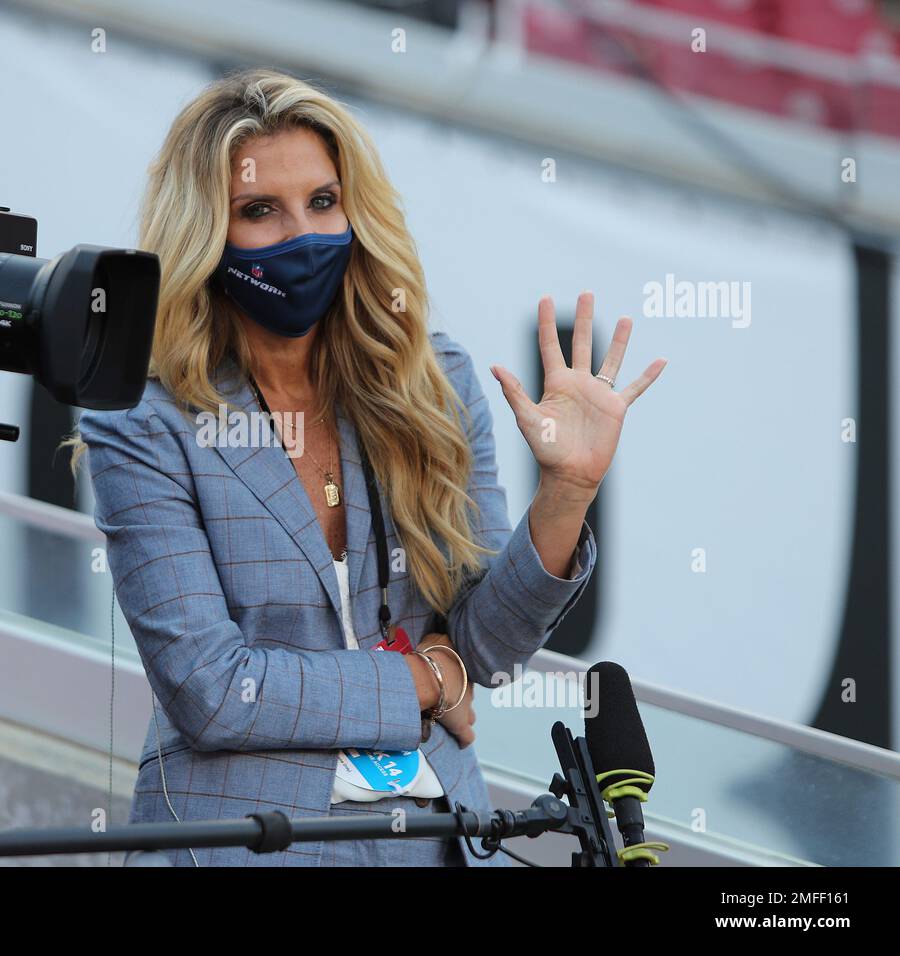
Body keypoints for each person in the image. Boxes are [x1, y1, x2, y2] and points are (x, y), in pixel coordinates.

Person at [76, 69, 665, 866]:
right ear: (206, 232)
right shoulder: (142, 419)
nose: (302, 234)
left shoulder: (436, 381)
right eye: (260, 211)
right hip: (239, 841)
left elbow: (487, 648)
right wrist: (426, 684)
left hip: (433, 838)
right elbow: (211, 692)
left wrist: (567, 492)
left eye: (323, 202)